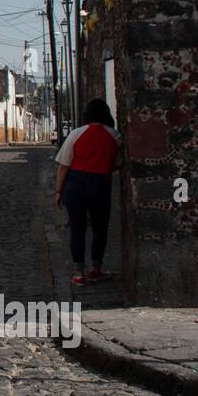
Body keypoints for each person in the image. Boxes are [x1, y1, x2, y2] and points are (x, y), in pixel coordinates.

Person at [55, 99, 121, 286]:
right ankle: (96, 268)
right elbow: (117, 164)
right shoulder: (115, 136)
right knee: (100, 228)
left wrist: (58, 191)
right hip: (100, 184)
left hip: (75, 185)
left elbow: (63, 166)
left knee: (77, 228)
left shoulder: (76, 134)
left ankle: (78, 272)